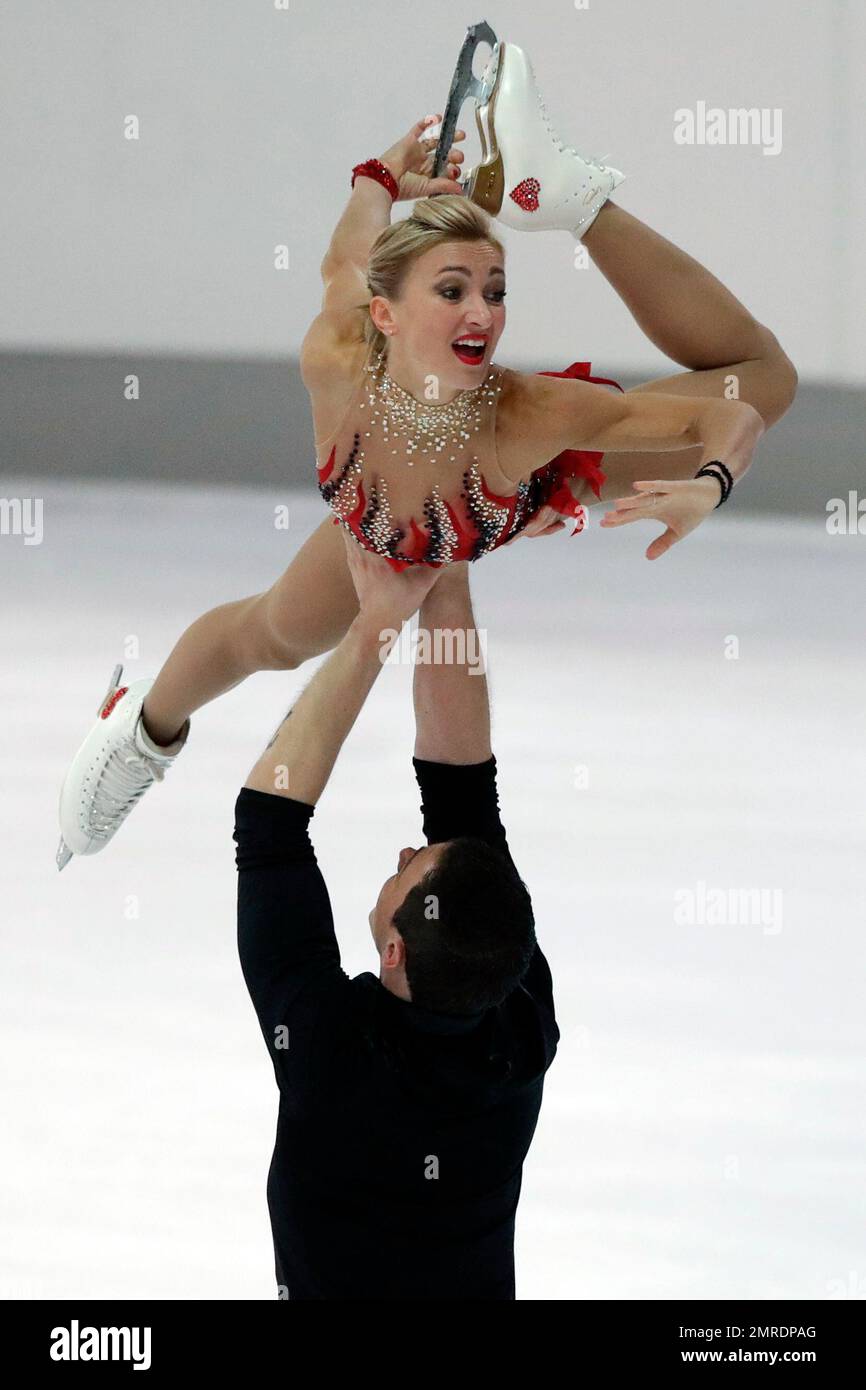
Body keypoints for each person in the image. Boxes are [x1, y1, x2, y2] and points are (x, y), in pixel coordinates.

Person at [57, 78, 797, 868]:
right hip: (379, 525)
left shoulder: (533, 413)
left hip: (523, 483)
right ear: (387, 313)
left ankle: (574, 198)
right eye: (452, 291)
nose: (482, 311)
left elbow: (729, 412)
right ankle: (134, 733)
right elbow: (348, 254)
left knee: (764, 377)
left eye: (495, 291)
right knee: (270, 634)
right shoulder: (336, 359)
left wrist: (709, 483)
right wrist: (376, 180)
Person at [235, 533, 558, 1299]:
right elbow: (462, 787)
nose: (405, 850)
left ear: (396, 954)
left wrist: (376, 625)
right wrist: (449, 559)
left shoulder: (338, 1049)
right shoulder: (510, 1024)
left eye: (406, 868)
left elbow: (270, 816)